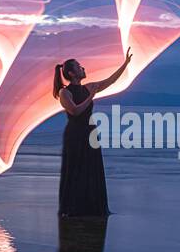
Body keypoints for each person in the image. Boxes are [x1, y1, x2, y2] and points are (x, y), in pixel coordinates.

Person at [52, 50, 132, 216]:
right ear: (72, 73)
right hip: (75, 134)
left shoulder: (89, 87)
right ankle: (72, 209)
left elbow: (111, 81)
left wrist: (125, 64)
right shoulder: (64, 93)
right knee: (75, 170)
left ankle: (91, 207)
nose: (83, 68)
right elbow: (75, 111)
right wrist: (91, 97)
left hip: (90, 133)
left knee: (91, 170)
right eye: (79, 67)